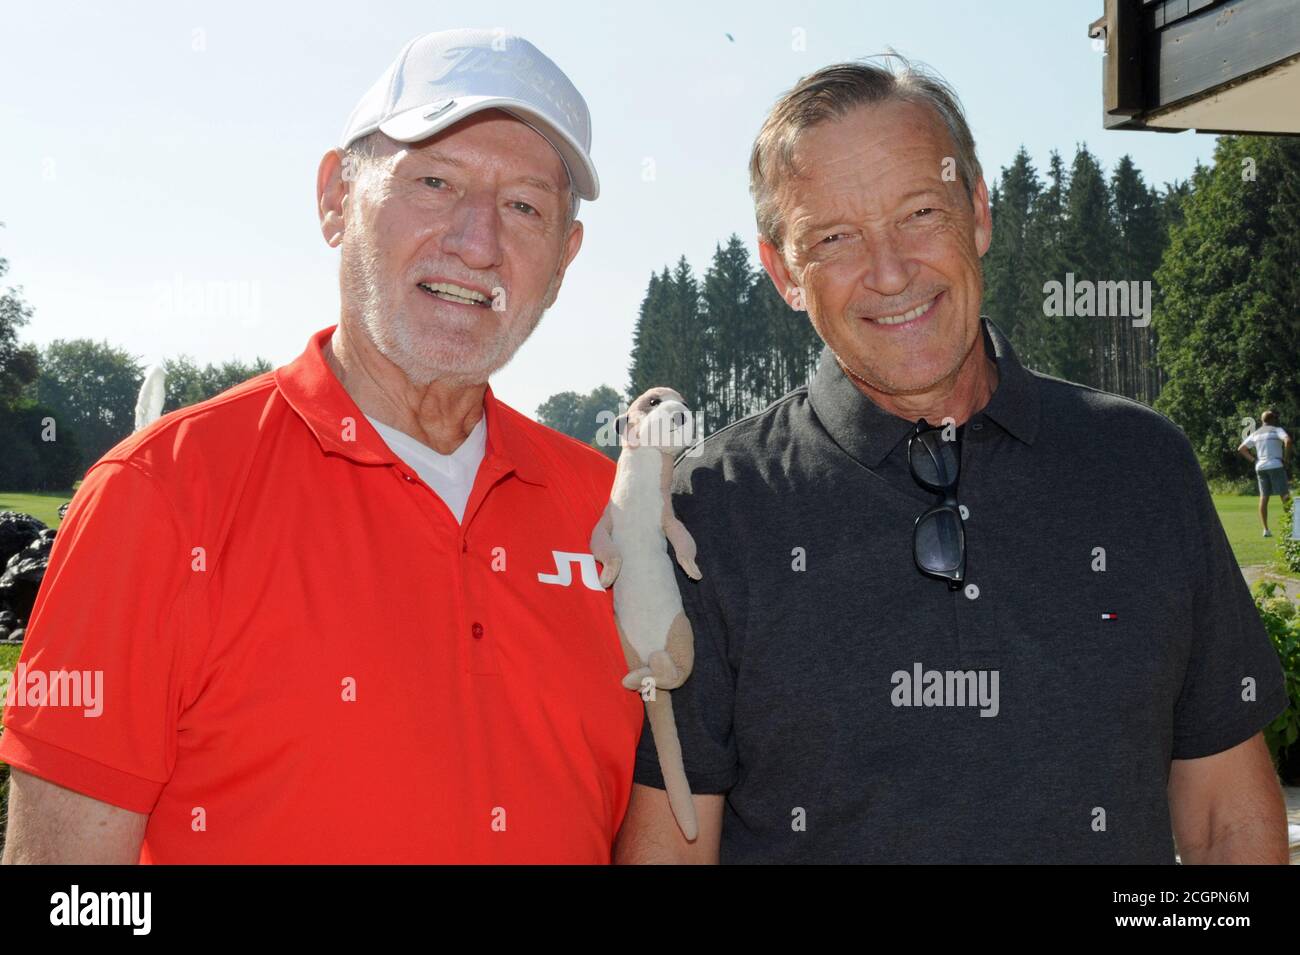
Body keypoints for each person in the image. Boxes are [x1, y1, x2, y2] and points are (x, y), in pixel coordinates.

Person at [616, 57, 1290, 864]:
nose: (891, 271)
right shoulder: (712, 509)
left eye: (920, 213)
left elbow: (1226, 822)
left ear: (977, 212)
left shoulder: (1144, 466)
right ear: (782, 272)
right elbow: (673, 847)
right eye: (834, 237)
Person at [1, 29, 643, 863]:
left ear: (562, 260)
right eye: (435, 181)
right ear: (337, 198)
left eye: (524, 205)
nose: (477, 241)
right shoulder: (158, 494)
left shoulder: (614, 516)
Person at [1238, 411, 1292, 537]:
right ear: (1273, 419)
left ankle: (1266, 529)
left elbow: (1241, 449)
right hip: (1276, 464)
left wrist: (1253, 460)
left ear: (1262, 420)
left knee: (1264, 497)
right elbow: (1288, 441)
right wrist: (1287, 459)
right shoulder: (1277, 430)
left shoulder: (1256, 433)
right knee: (1284, 495)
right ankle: (1291, 525)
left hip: (1260, 467)